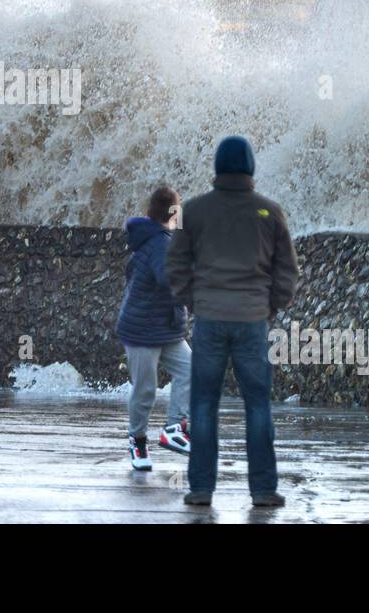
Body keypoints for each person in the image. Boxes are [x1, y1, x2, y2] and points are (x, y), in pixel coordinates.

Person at [167, 136, 299, 508]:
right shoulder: (269, 212)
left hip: (209, 320)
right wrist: (268, 306)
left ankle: (201, 490)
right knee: (258, 405)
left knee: (204, 405)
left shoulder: (193, 211)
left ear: (217, 168)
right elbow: (287, 271)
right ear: (250, 167)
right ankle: (263, 491)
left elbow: (175, 265)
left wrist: (194, 301)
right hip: (252, 321)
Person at [116, 186, 192, 471]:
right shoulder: (160, 243)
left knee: (190, 369)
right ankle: (137, 441)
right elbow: (169, 279)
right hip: (142, 331)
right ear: (173, 213)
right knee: (146, 390)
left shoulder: (160, 241)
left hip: (166, 328)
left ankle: (174, 428)